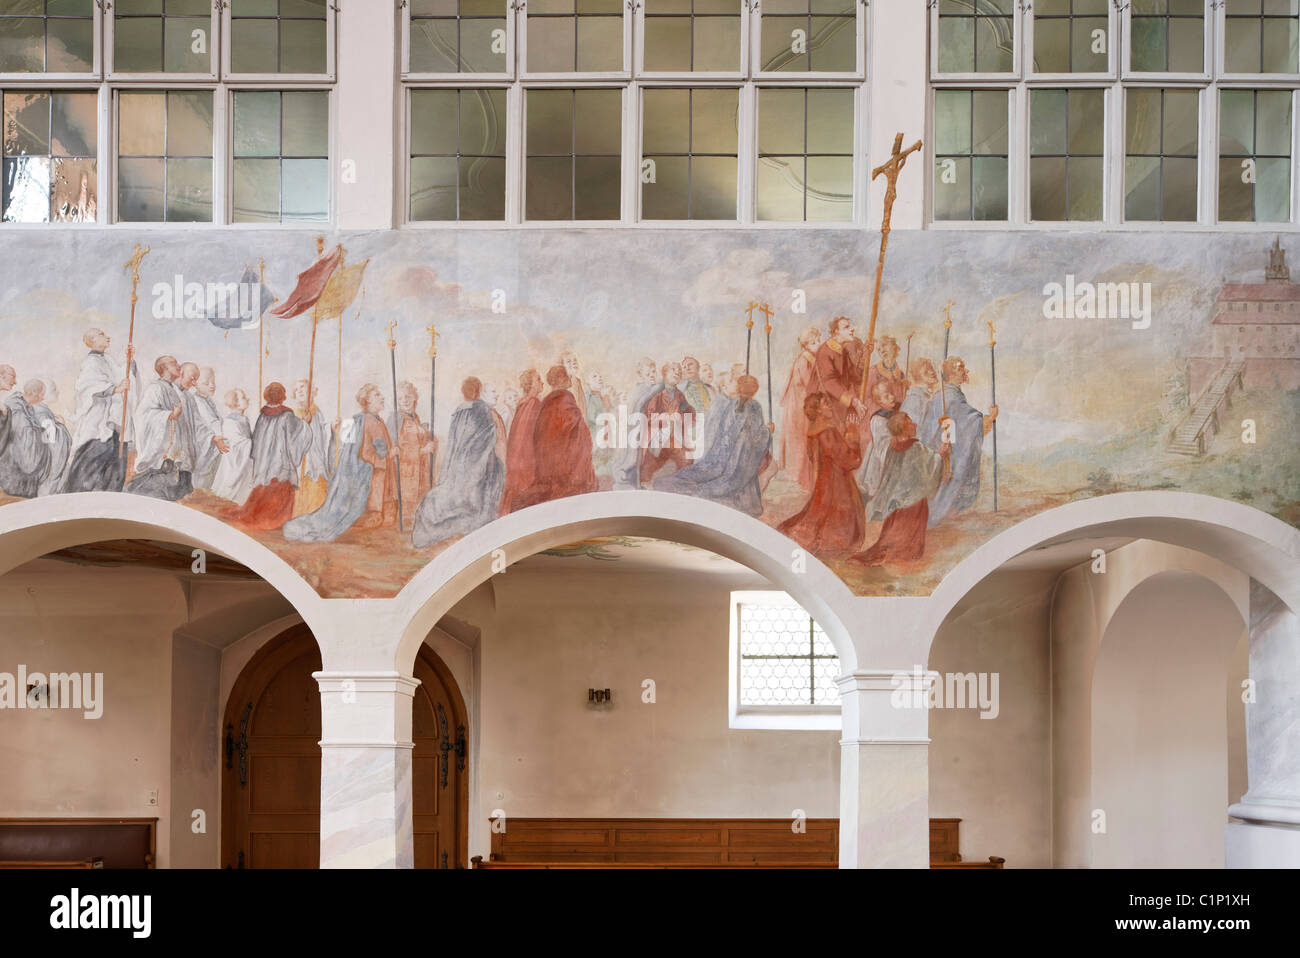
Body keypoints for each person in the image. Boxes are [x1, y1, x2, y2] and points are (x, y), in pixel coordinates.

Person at [284, 384, 395, 542]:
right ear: (368, 401)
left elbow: (348, 445)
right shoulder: (368, 421)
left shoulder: (370, 420)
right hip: (369, 474)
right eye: (377, 395)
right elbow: (367, 453)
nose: (382, 397)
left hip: (371, 475)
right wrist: (389, 454)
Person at [653, 374, 771, 516]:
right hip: (738, 463)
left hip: (722, 458)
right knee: (722, 483)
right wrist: (768, 431)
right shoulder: (753, 406)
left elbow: (728, 431)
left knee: (705, 475)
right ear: (755, 390)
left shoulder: (733, 404)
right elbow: (756, 438)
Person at [412, 377, 505, 548]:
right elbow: (490, 441)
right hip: (480, 465)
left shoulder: (460, 411)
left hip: (462, 464)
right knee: (471, 502)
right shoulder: (484, 411)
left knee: (453, 496)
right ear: (479, 391)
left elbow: (456, 444)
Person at [853, 411, 950, 566]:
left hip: (896, 501)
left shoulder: (892, 446)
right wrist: (942, 453)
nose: (914, 425)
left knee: (893, 532)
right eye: (910, 423)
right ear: (903, 428)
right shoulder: (916, 448)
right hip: (914, 500)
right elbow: (930, 467)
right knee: (907, 541)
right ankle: (901, 553)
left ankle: (890, 551)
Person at [776, 392, 865, 558]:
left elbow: (816, 457)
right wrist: (852, 435)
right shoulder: (828, 432)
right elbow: (851, 461)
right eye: (826, 404)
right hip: (838, 485)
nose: (831, 406)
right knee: (843, 532)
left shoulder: (813, 432)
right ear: (818, 410)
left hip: (824, 483)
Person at [223, 382, 309, 529]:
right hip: (281, 465)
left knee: (262, 493)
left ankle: (263, 517)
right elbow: (298, 435)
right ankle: (275, 520)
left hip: (265, 465)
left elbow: (256, 441)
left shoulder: (262, 416)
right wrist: (305, 423)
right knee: (280, 490)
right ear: (283, 397)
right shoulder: (287, 416)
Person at [65, 328, 140, 494]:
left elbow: (122, 376)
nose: (108, 337)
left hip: (114, 421)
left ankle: (109, 495)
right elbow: (88, 385)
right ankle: (79, 495)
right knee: (93, 458)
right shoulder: (91, 362)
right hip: (99, 422)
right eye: (102, 335)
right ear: (92, 340)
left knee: (115, 461)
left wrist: (129, 360)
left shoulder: (108, 360)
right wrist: (114, 389)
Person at [513, 365, 598, 510]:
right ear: (563, 380)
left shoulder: (545, 405)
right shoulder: (565, 401)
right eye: (567, 376)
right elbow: (581, 437)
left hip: (546, 469)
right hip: (566, 471)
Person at [927, 356, 998, 526]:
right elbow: (968, 421)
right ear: (950, 373)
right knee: (951, 482)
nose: (966, 371)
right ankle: (938, 516)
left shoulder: (947, 394)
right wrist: (990, 418)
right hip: (947, 448)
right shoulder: (950, 396)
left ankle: (942, 516)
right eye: (961, 368)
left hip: (945, 444)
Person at [126, 355, 193, 501]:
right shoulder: (155, 388)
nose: (179, 366)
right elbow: (144, 414)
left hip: (173, 453)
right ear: (164, 368)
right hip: (160, 456)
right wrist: (169, 415)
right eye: (174, 363)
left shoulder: (172, 389)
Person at [0, 379, 71, 497]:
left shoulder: (26, 406)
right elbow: (25, 439)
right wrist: (54, 429)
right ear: (33, 392)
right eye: (41, 394)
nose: (43, 398)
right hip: (15, 471)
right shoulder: (16, 408)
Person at [386, 380, 437, 525]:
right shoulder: (397, 419)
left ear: (414, 397)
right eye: (400, 398)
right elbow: (398, 449)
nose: (404, 401)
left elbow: (419, 439)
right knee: (407, 511)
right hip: (404, 471)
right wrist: (423, 450)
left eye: (407, 396)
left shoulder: (415, 418)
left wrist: (426, 436)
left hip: (418, 469)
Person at [780, 325, 822, 491]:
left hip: (805, 401)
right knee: (801, 437)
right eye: (814, 342)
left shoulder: (812, 358)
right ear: (806, 345)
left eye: (818, 340)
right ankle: (798, 475)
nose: (818, 344)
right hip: (799, 404)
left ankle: (805, 475)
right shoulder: (804, 359)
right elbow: (808, 382)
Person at [639, 361, 695, 485]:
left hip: (675, 437)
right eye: (673, 369)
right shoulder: (656, 393)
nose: (677, 372)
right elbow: (648, 416)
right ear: (664, 374)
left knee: (686, 459)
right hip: (657, 437)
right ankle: (645, 483)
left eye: (679, 370)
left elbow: (690, 412)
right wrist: (664, 417)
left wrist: (681, 417)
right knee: (649, 464)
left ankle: (679, 485)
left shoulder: (679, 395)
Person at [612, 357, 661, 490]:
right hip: (637, 427)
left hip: (647, 426)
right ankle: (628, 478)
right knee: (635, 457)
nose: (652, 375)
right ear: (641, 374)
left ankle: (638, 483)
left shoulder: (654, 388)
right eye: (648, 373)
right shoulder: (640, 389)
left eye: (653, 372)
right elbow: (636, 407)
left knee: (642, 458)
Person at [500, 369, 543, 515]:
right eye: (538, 379)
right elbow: (529, 437)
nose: (542, 382)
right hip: (526, 461)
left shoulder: (523, 403)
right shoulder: (533, 403)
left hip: (517, 460)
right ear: (531, 384)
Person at [813, 316, 867, 428]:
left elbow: (855, 377)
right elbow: (829, 383)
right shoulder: (825, 351)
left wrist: (865, 355)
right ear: (836, 331)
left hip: (840, 405)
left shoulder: (843, 351)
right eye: (846, 327)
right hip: (827, 406)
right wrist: (853, 401)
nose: (852, 329)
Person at [291, 379, 333, 517]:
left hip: (317, 459)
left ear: (312, 391)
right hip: (302, 461)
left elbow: (322, 435)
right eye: (296, 389)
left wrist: (333, 429)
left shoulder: (317, 411)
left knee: (318, 491)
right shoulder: (293, 412)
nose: (299, 391)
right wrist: (304, 423)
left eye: (302, 387)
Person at [858, 378, 900, 506]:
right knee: (877, 484)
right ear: (879, 401)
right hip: (880, 456)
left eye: (892, 393)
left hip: (894, 452)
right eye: (887, 396)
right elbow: (882, 442)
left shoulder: (897, 411)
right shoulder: (878, 419)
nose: (892, 397)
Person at [188, 366, 229, 492]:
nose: (212, 386)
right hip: (204, 449)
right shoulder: (196, 401)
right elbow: (209, 424)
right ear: (195, 383)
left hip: (213, 447)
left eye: (213, 382)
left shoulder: (207, 400)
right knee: (201, 482)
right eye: (206, 383)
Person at [211, 388, 254, 505]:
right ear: (236, 403)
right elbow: (235, 444)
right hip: (234, 462)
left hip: (245, 461)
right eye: (243, 397)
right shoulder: (230, 422)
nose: (248, 399)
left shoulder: (244, 419)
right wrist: (253, 443)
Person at [902, 357, 941, 449]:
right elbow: (913, 434)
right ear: (918, 376)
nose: (932, 372)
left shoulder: (928, 397)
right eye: (926, 371)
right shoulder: (914, 399)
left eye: (932, 368)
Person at [865, 335, 907, 418]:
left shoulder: (901, 374)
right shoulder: (873, 371)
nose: (882, 350)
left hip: (897, 418)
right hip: (880, 417)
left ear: (893, 346)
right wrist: (883, 413)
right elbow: (867, 399)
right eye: (879, 349)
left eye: (884, 345)